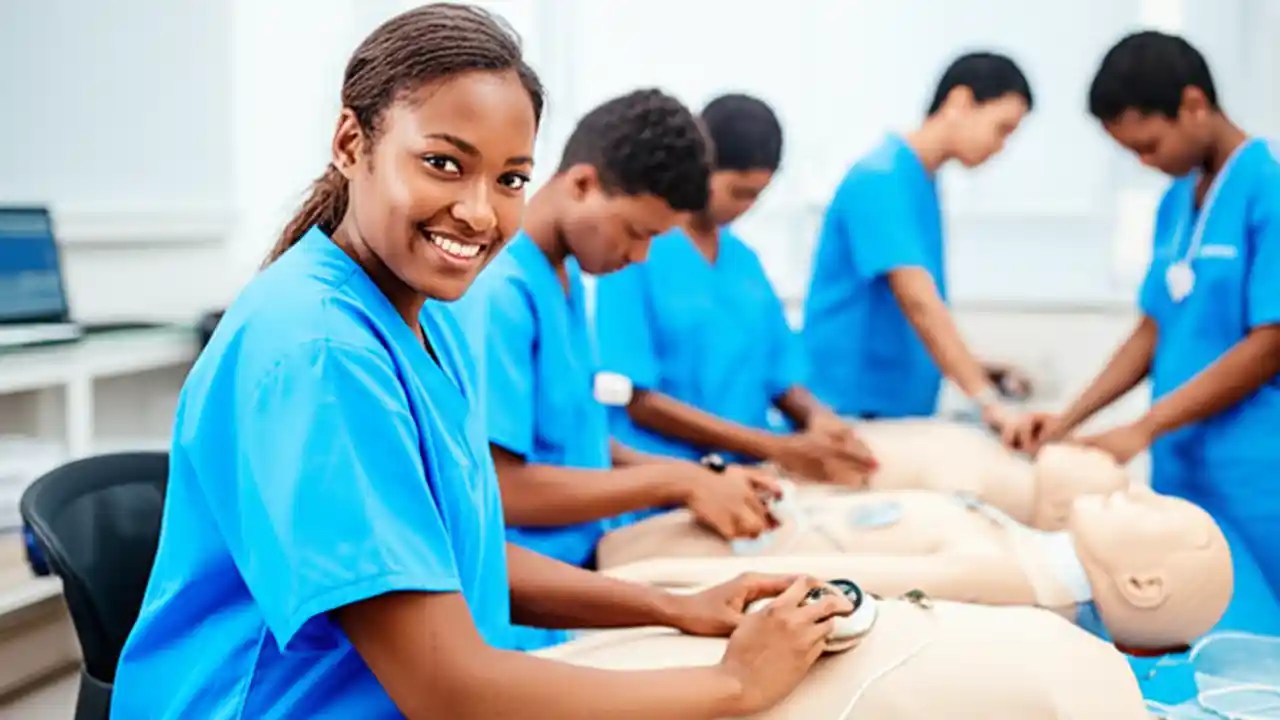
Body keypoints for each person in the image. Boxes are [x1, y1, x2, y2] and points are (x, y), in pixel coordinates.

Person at [110, 6, 850, 718]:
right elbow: (447, 691)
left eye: (510, 179)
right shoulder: (321, 354)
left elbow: (460, 559)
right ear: (350, 143)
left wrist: (677, 607)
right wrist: (733, 688)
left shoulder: (421, 323)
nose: (480, 212)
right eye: (442, 163)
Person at [453, 89, 782, 650]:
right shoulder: (500, 294)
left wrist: (704, 476)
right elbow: (502, 490)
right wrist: (672, 480)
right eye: (639, 233)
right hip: (516, 608)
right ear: (582, 184)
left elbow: (577, 440)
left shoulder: (564, 280)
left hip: (585, 571)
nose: (641, 257)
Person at [1009, 31, 1280, 598]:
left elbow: (1270, 342)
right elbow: (1154, 329)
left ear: (1194, 105)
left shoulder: (1268, 189)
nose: (1145, 162)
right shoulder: (1175, 201)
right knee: (1195, 622)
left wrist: (1142, 427)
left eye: (1150, 145)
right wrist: (1068, 422)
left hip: (1257, 471)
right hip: (1182, 465)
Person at [593, 94, 876, 486]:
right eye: (737, 192)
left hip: (752, 472)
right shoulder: (635, 252)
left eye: (757, 195)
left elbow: (781, 375)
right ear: (700, 168)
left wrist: (818, 418)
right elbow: (639, 400)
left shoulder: (744, 262)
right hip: (668, 479)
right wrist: (773, 447)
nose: (745, 208)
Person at [801, 53, 1034, 430]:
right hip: (851, 411)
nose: (1000, 146)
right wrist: (988, 403)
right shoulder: (881, 177)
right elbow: (918, 301)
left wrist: (978, 370)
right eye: (1001, 128)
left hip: (895, 411)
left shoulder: (921, 181)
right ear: (960, 102)